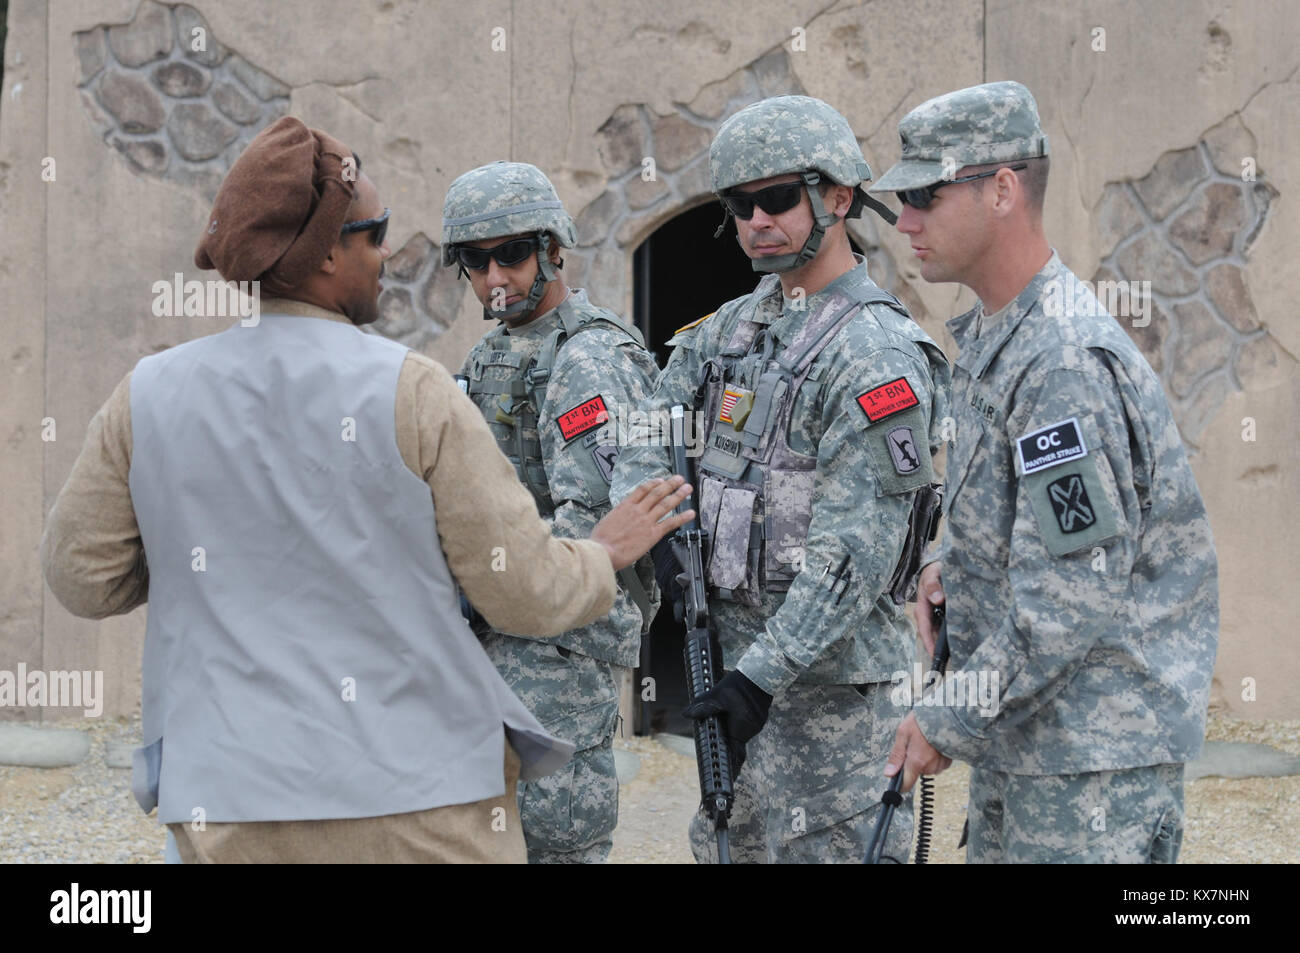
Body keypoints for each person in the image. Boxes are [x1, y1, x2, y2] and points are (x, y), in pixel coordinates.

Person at [39, 117, 692, 864]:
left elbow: (80, 577)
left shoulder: (147, 393)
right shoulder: (408, 388)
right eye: (374, 234)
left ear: (550, 248)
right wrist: (598, 557)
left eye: (508, 254)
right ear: (324, 254)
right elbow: (524, 587)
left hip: (226, 797)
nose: (388, 255)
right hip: (410, 800)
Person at [872, 81, 1219, 863]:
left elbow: (1067, 602)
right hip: (1034, 747)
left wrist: (946, 716)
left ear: (1001, 190)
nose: (906, 220)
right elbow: (1018, 526)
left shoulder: (1062, 358)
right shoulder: (1007, 339)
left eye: (926, 193)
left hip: (1087, 772)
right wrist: (943, 566)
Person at [611, 95, 951, 863]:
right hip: (730, 689)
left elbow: (852, 555)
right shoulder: (726, 333)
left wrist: (759, 680)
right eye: (739, 205)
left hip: (833, 722)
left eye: (777, 199)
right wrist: (655, 520)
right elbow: (642, 427)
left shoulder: (874, 353)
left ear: (837, 197)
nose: (756, 220)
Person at [442, 160, 661, 863]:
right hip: (501, 633)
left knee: (554, 842)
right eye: (476, 261)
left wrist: (486, 594)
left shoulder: (588, 357)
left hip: (560, 646)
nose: (494, 277)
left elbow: (593, 532)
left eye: (511, 254)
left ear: (553, 249)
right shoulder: (492, 353)